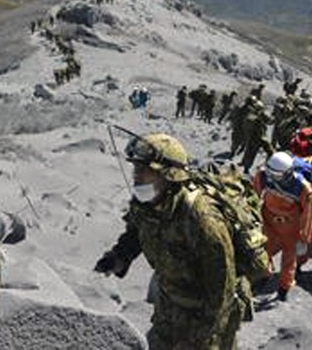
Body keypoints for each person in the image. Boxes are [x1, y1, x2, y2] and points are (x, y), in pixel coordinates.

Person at [95, 133, 238, 349]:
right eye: (136, 169)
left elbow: (223, 286)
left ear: (169, 175)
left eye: (145, 171)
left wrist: (206, 336)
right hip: (169, 303)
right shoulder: (146, 202)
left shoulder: (201, 217)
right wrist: (120, 256)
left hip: (206, 313)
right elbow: (136, 231)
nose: (137, 176)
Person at [252, 153, 312, 301]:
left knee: (289, 257)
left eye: (277, 175)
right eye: (271, 173)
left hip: (291, 225)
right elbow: (254, 195)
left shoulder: (303, 188)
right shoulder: (263, 176)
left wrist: (304, 237)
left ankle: (284, 287)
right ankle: (264, 275)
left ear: (288, 173)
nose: (273, 178)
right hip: (268, 220)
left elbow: (309, 213)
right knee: (264, 250)